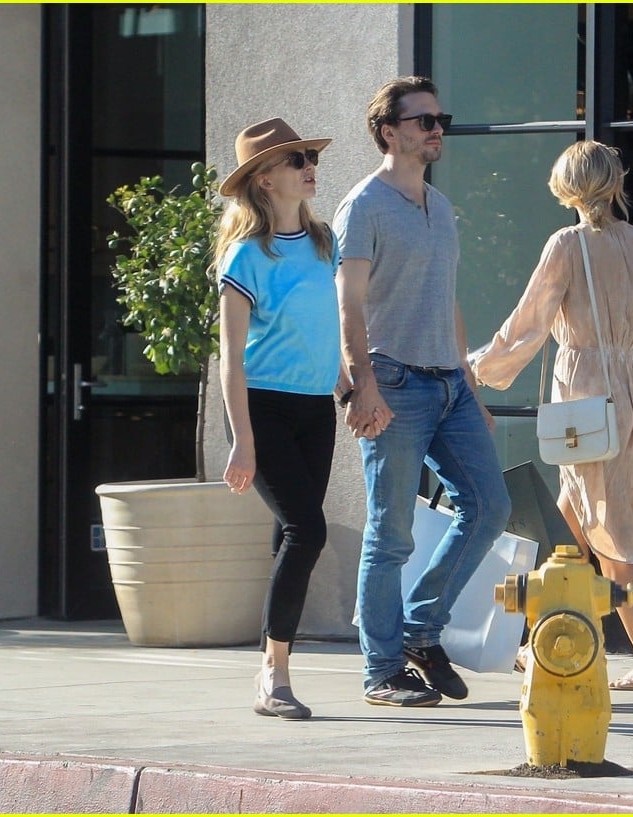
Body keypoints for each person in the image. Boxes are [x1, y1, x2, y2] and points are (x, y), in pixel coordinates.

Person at [469, 141, 633, 692]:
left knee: (610, 530)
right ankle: (537, 635)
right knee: (567, 527)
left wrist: (481, 368)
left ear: (568, 186)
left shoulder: (568, 244)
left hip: (586, 396)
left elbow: (529, 323)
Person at [333, 76, 512, 707]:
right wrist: (363, 385)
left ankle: (419, 631)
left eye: (441, 118)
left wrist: (471, 385)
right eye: (423, 120)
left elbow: (447, 301)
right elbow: (347, 305)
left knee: (491, 508)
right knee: (391, 535)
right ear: (389, 132)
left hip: (449, 386)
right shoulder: (364, 205)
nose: (437, 129)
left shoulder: (439, 206)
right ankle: (382, 671)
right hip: (395, 383)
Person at [214, 118, 347, 720]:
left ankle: (271, 662)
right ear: (265, 180)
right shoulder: (246, 256)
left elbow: (327, 325)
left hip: (315, 410)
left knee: (288, 536)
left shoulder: (324, 242)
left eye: (307, 156)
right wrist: (243, 441)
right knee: (307, 531)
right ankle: (275, 672)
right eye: (295, 160)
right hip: (262, 410)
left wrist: (349, 385)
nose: (307, 166)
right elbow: (230, 361)